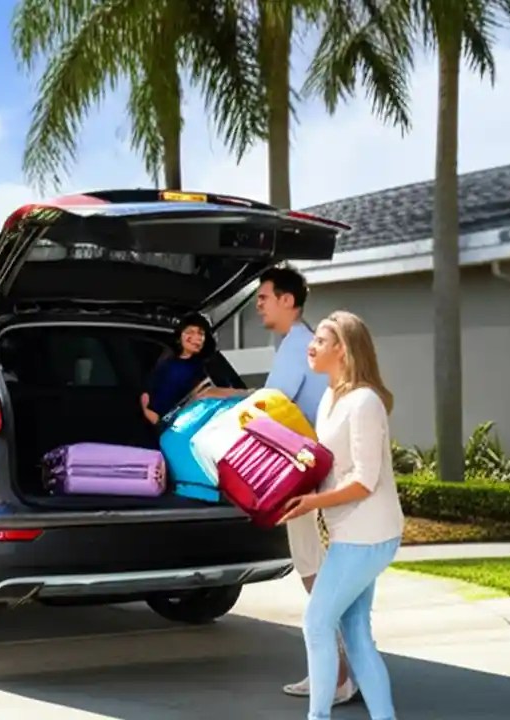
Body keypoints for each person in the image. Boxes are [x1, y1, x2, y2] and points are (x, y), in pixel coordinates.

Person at [197, 265, 355, 702]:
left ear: (288, 300)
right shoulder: (306, 344)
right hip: (325, 469)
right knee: (324, 573)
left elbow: (268, 407)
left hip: (305, 474)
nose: (260, 304)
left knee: (312, 571)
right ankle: (343, 672)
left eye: (265, 296)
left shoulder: (296, 346)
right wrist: (226, 394)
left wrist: (217, 402)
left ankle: (335, 677)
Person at [278, 310, 404, 720]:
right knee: (355, 633)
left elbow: (365, 481)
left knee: (316, 624)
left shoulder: (364, 402)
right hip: (352, 532)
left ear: (343, 350)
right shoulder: (331, 398)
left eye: (320, 341)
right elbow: (328, 467)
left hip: (368, 534)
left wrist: (312, 503)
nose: (310, 347)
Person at [140, 313, 215, 429]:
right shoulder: (167, 363)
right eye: (190, 332)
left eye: (200, 333)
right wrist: (147, 411)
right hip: (158, 425)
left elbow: (207, 393)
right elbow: (147, 391)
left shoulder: (203, 367)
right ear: (180, 337)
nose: (196, 337)